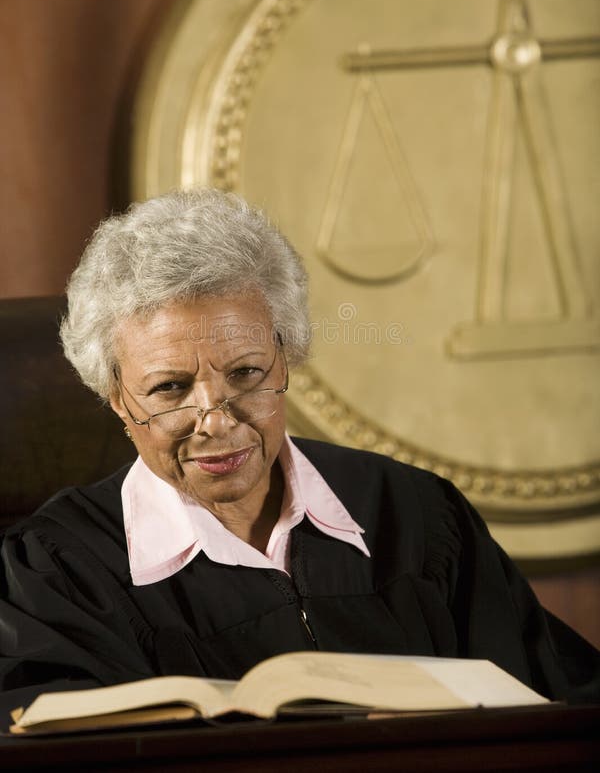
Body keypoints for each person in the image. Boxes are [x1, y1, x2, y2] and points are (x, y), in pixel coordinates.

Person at [0, 189, 598, 730]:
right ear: (115, 396)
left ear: (286, 360)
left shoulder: (418, 518)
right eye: (170, 389)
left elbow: (559, 705)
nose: (216, 418)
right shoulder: (55, 574)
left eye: (246, 373)